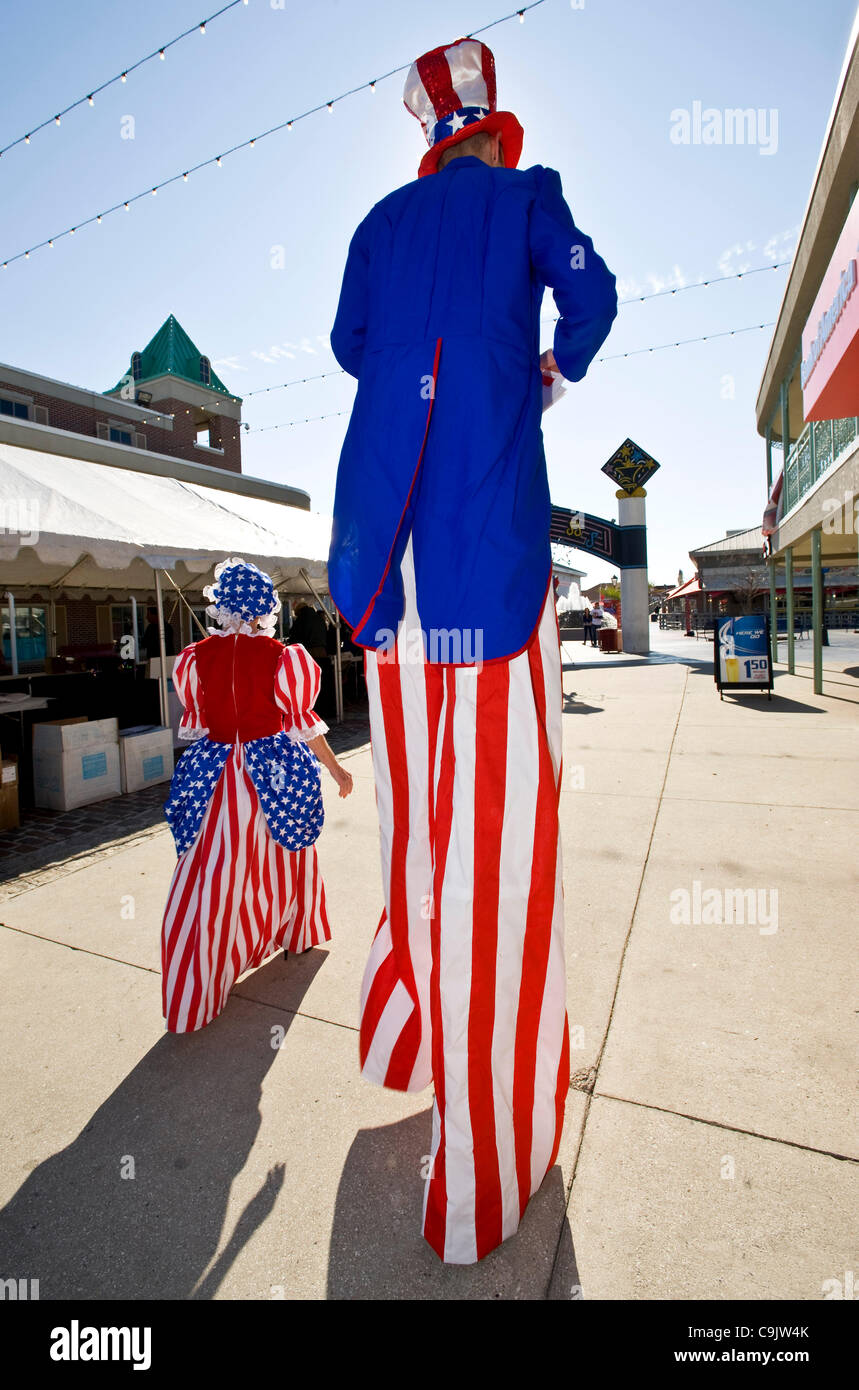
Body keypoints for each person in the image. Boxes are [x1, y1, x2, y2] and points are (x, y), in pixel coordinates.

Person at [328, 36, 617, 1264]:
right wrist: (546, 364)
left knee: (415, 825)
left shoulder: (382, 225)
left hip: (387, 572)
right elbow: (594, 294)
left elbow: (351, 345)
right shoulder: (529, 197)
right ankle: (487, 1146)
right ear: (495, 129)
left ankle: (414, 1038)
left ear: (427, 137)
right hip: (487, 566)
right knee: (495, 852)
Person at [160, 557, 353, 1033]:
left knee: (212, 874)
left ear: (222, 605)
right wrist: (335, 769)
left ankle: (197, 987)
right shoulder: (284, 658)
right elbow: (303, 726)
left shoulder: (193, 658)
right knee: (289, 854)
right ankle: (296, 930)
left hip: (217, 776)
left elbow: (201, 725)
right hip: (273, 774)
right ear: (263, 607)